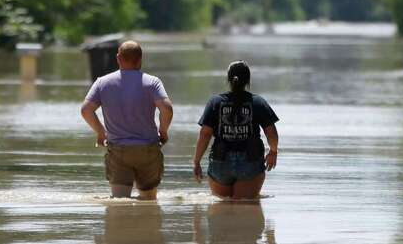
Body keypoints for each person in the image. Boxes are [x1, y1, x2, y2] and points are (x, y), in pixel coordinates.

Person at [80, 40, 174, 199]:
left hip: (118, 150)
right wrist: (163, 131)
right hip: (148, 149)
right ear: (140, 59)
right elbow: (167, 108)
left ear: (118, 58)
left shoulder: (102, 83)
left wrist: (101, 132)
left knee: (119, 202)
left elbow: (86, 110)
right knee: (149, 202)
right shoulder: (152, 82)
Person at [192, 60, 279, 199]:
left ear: (229, 79)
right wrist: (273, 151)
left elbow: (205, 135)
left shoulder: (215, 102)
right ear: (248, 80)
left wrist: (196, 162)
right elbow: (271, 132)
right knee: (244, 207)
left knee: (222, 208)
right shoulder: (258, 102)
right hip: (250, 162)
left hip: (220, 162)